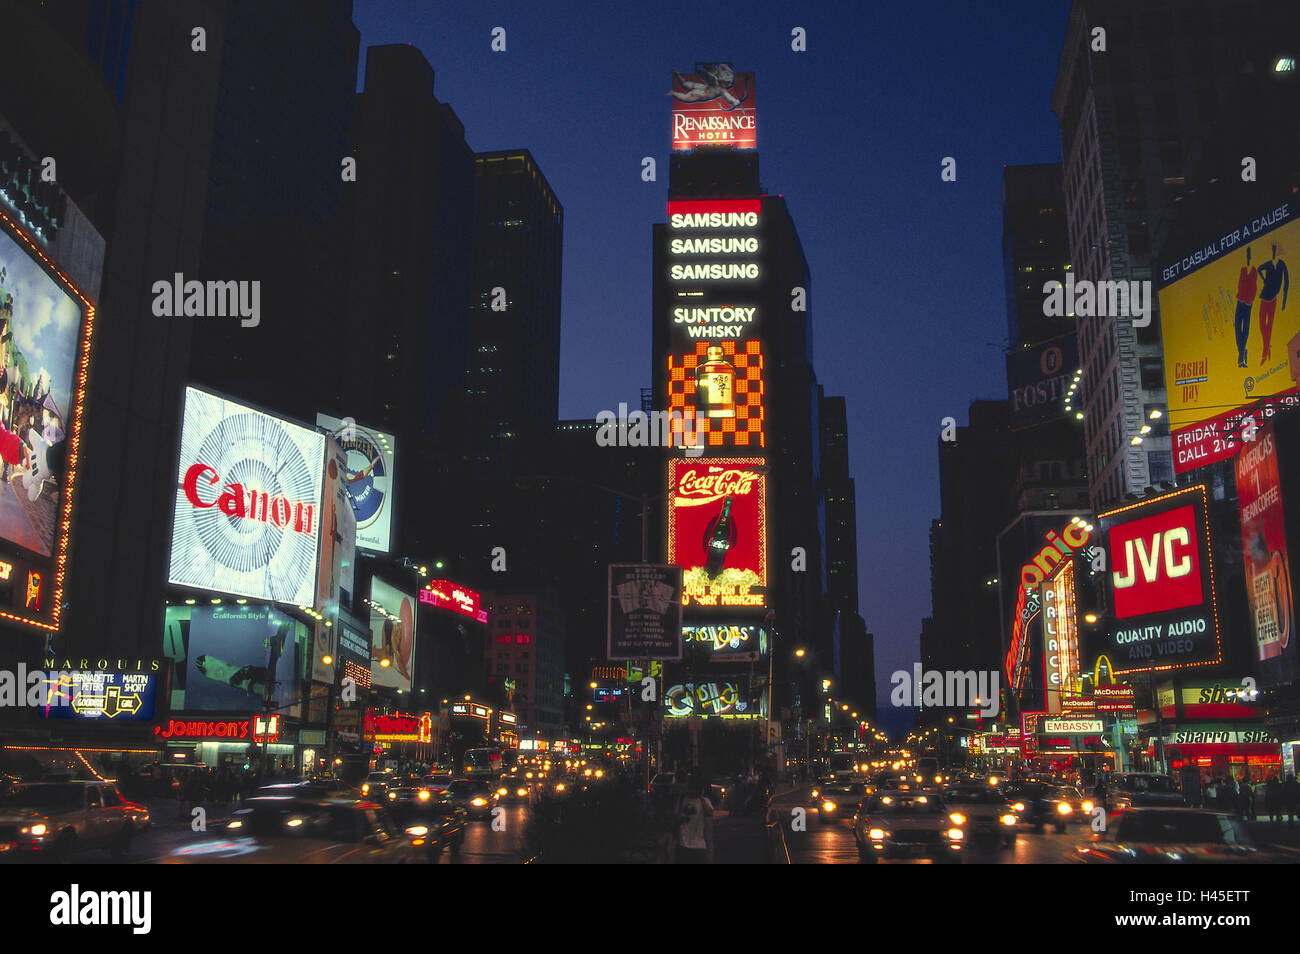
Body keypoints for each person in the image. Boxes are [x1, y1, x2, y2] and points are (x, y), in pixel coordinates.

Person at [675, 777, 714, 864]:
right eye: (690, 787)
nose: (691, 790)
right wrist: (680, 819)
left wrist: (701, 798)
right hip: (683, 843)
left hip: (699, 844)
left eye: (694, 788)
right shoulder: (682, 800)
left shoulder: (704, 801)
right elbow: (676, 817)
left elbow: (710, 813)